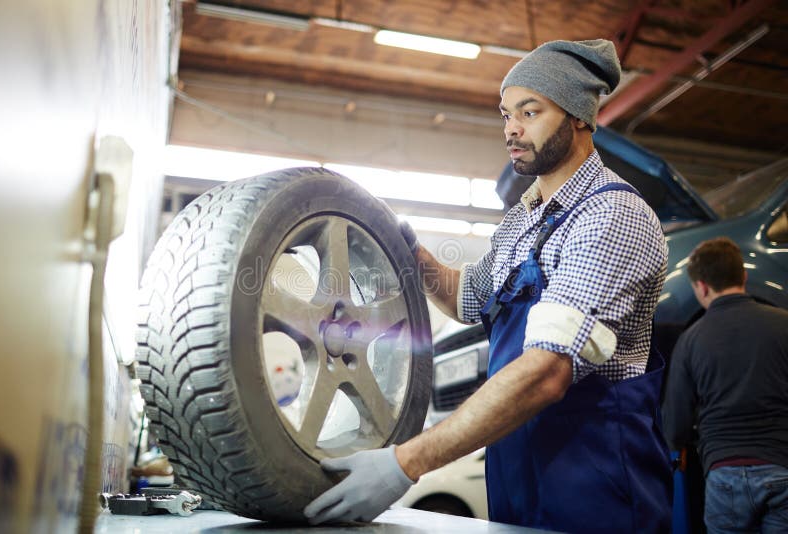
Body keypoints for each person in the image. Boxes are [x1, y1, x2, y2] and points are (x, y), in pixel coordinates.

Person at [304, 39, 673, 532]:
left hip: (597, 486)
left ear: (580, 116)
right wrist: (413, 256)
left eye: (529, 111)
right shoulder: (522, 220)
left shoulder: (612, 216)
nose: (511, 129)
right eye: (505, 114)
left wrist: (405, 463)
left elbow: (546, 373)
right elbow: (468, 297)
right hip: (519, 479)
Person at [662, 237, 788, 533]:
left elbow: (676, 419)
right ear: (743, 276)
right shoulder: (784, 324)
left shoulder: (692, 340)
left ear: (701, 287)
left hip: (724, 473)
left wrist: (677, 445)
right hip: (782, 468)